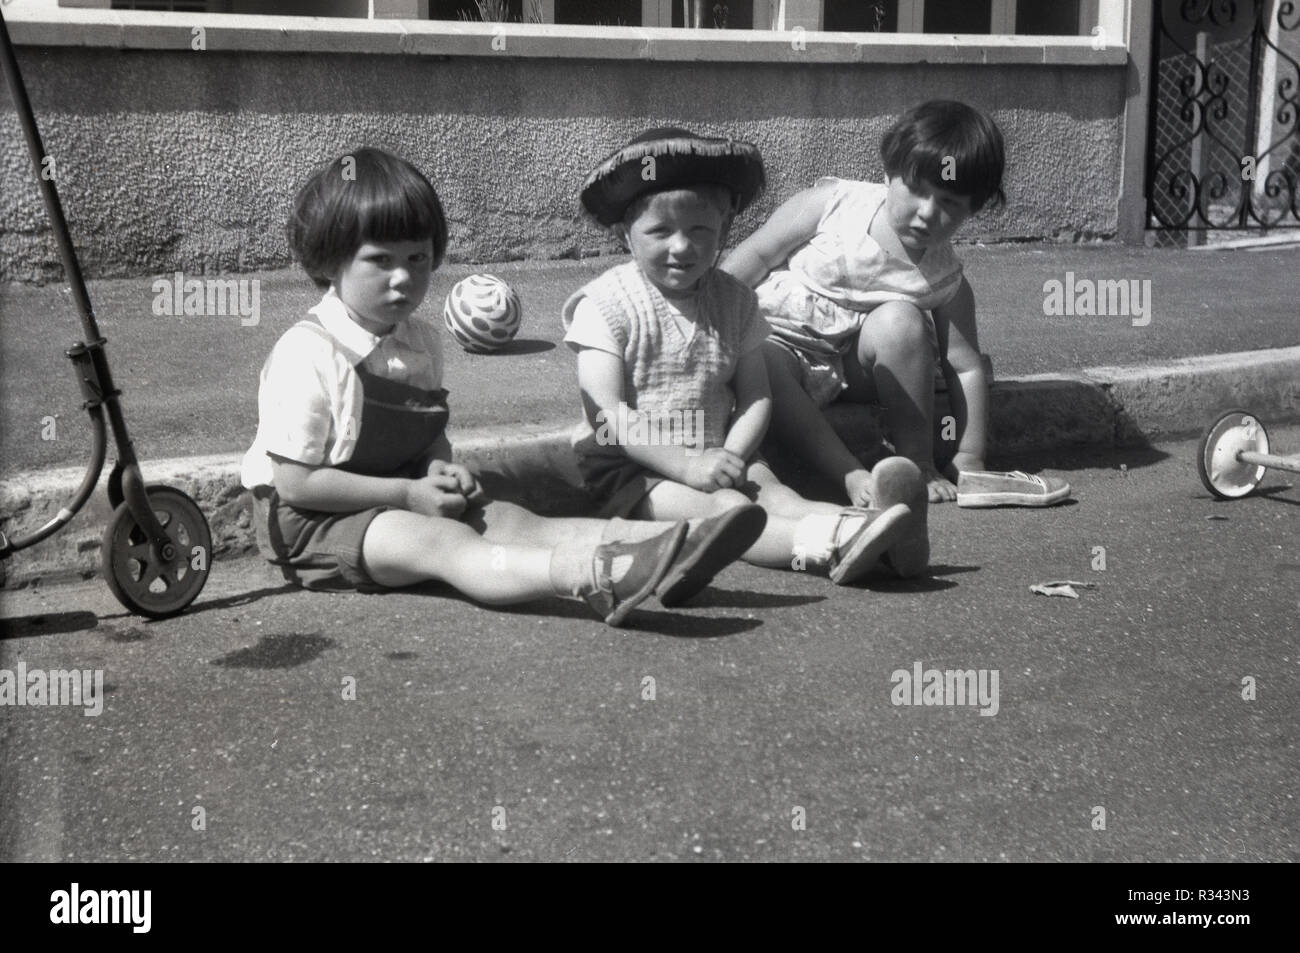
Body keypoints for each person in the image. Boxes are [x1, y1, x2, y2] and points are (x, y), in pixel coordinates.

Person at [240, 147, 764, 627]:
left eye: (417, 258)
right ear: (329, 261)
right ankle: (592, 575)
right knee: (445, 542)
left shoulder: (418, 339)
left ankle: (672, 549)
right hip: (313, 524)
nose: (403, 278)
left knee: (511, 519)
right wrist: (407, 492)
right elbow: (297, 484)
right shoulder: (309, 353)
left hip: (401, 496)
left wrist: (438, 469)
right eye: (381, 260)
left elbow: (426, 436)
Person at [564, 128, 929, 584]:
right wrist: (686, 466)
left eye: (701, 230)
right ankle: (834, 544)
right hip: (633, 472)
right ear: (625, 235)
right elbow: (608, 415)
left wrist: (732, 454)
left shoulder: (735, 300)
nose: (682, 246)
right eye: (660, 231)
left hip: (719, 451)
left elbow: (756, 395)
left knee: (779, 497)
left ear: (723, 229)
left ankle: (877, 528)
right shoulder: (606, 305)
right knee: (730, 510)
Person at [722, 100, 1071, 508]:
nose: (927, 213)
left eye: (950, 203)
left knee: (901, 322)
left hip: (849, 369)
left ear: (973, 210)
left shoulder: (944, 279)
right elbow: (756, 256)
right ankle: (849, 473)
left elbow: (965, 367)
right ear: (889, 172)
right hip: (780, 346)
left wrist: (970, 455)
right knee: (761, 358)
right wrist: (707, 318)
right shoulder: (832, 204)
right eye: (917, 190)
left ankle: (916, 462)